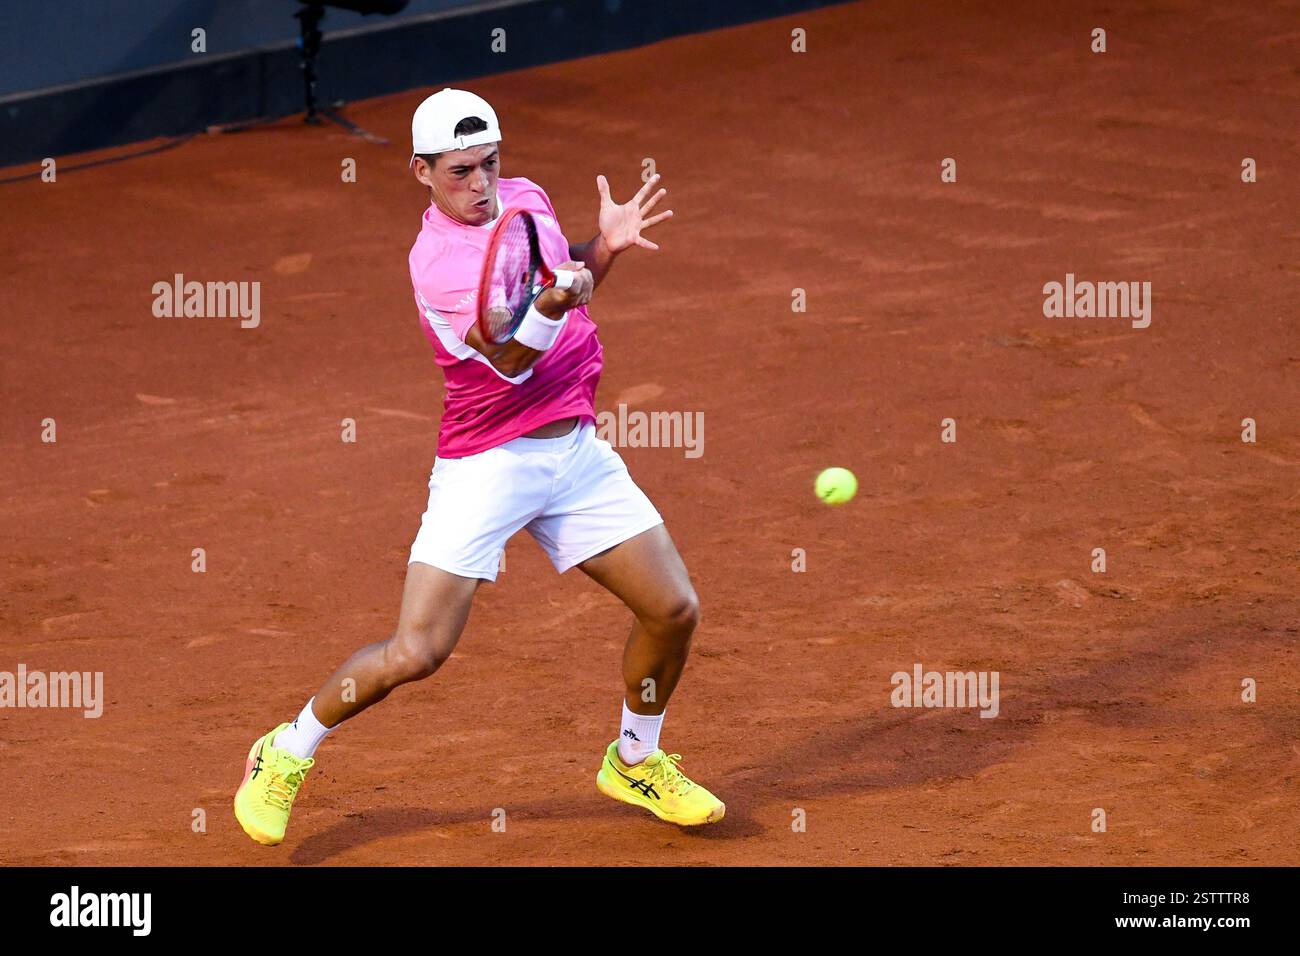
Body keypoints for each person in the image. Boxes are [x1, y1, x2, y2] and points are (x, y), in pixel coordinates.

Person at [234, 88, 724, 846]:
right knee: (416, 652)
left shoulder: (527, 202)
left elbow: (569, 288)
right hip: (487, 463)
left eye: (490, 164)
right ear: (421, 172)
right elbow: (513, 357)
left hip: (574, 450)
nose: (480, 185)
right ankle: (285, 750)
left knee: (673, 608)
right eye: (460, 171)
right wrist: (563, 297)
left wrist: (603, 251)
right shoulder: (436, 265)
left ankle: (635, 758)